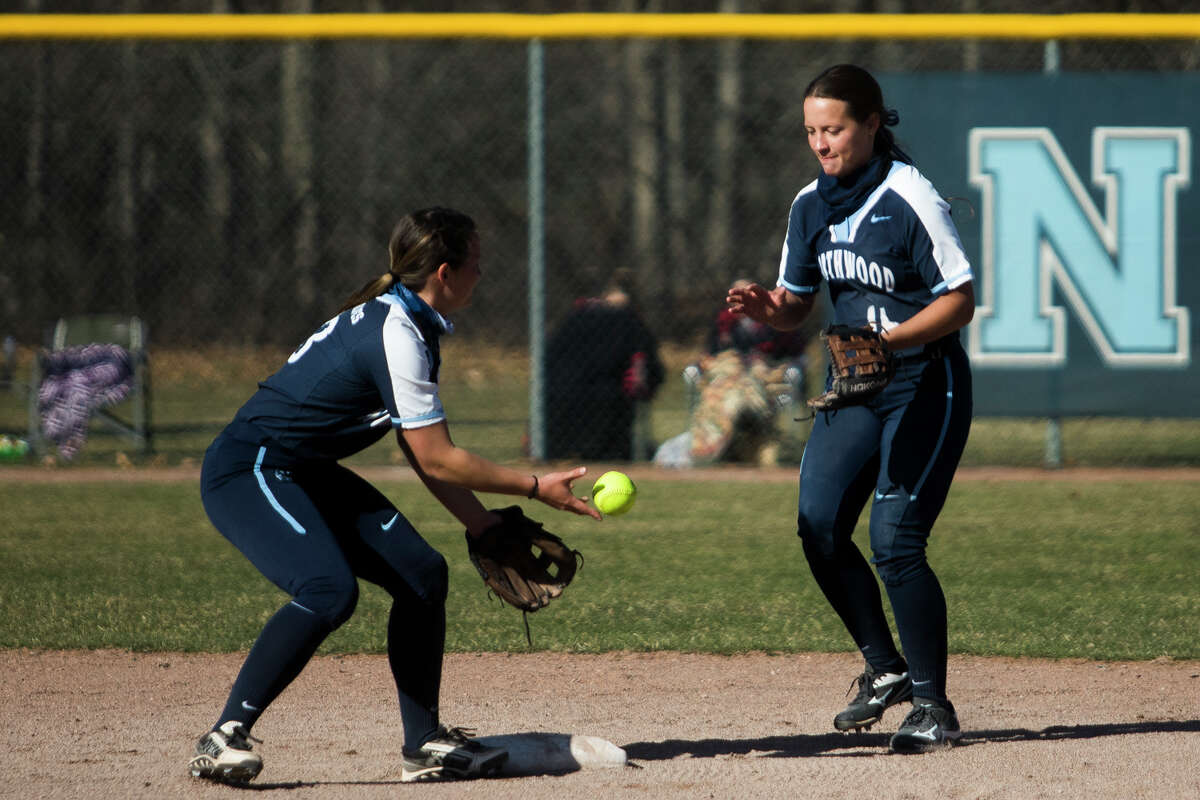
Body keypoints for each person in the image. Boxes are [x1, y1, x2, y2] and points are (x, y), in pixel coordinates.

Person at [189, 207, 601, 785]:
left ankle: (423, 744)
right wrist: (536, 488)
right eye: (475, 265)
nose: (482, 275)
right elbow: (436, 456)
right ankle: (222, 736)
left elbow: (422, 450)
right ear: (444, 271)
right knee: (329, 590)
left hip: (303, 470)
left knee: (421, 575)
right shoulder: (397, 331)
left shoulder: (414, 324)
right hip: (251, 467)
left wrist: (481, 525)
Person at [727, 64, 975, 754]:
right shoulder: (810, 204)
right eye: (811, 131)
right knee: (818, 524)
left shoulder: (911, 196)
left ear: (871, 123)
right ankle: (885, 668)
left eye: (833, 129)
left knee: (896, 541)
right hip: (855, 387)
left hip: (924, 383)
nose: (822, 144)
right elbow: (797, 304)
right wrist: (766, 308)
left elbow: (960, 298)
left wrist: (889, 338)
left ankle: (933, 706)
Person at [686, 280, 814, 467]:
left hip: (764, 381)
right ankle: (711, 451)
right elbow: (709, 356)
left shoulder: (774, 320)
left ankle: (754, 427)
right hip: (727, 382)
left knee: (753, 378)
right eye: (736, 295)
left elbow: (796, 354)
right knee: (728, 381)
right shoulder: (723, 323)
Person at [544, 269, 664, 461]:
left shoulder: (576, 317)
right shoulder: (631, 323)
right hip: (608, 406)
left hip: (559, 403)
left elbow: (549, 359)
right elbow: (649, 371)